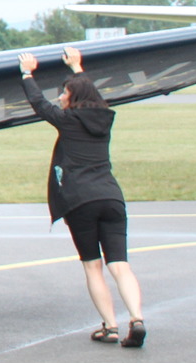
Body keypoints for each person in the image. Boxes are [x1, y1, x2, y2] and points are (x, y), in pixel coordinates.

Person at [19, 45, 144, 347]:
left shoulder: (67, 120)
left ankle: (111, 327)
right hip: (112, 197)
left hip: (80, 200)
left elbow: (38, 103)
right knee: (120, 264)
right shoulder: (104, 117)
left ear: (72, 98)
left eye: (63, 93)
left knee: (92, 265)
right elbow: (92, 95)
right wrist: (77, 67)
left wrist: (26, 73)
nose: (59, 98)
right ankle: (137, 318)